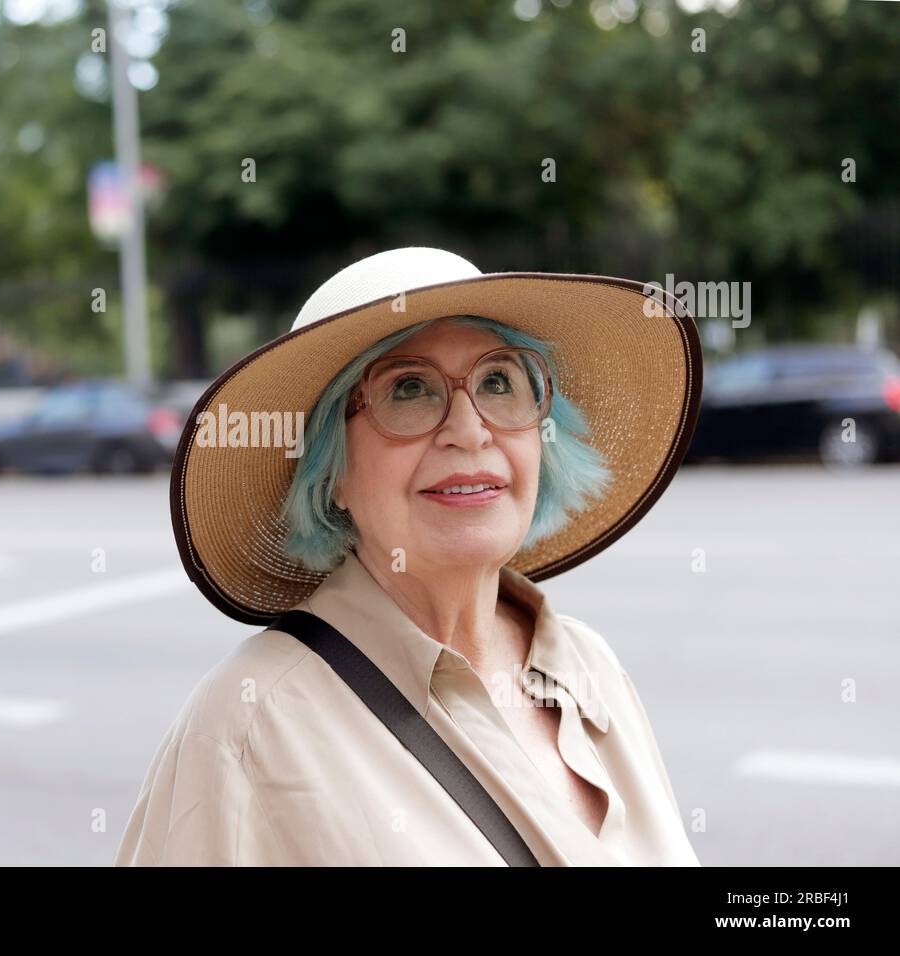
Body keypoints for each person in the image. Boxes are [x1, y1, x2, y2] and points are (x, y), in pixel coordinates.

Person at [115, 246, 703, 865]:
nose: (470, 429)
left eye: (499, 381)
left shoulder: (587, 664)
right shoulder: (251, 725)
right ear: (329, 471)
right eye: (409, 389)